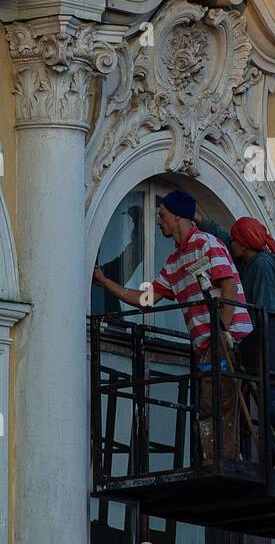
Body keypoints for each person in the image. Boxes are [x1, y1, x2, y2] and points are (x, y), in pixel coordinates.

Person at [92, 189, 252, 464]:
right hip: (208, 347)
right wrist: (105, 283)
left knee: (221, 402)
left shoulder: (207, 244)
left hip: (230, 341)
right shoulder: (175, 262)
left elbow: (228, 286)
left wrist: (221, 335)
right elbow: (145, 299)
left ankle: (226, 461)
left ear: (179, 216)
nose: (158, 221)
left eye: (162, 215)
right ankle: (217, 459)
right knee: (209, 404)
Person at [196, 209, 275, 474]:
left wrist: (252, 343)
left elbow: (264, 310)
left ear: (244, 243)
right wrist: (203, 220)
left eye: (236, 241)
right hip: (273, 350)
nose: (231, 245)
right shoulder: (254, 261)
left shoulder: (261, 265)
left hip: (271, 351)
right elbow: (228, 238)